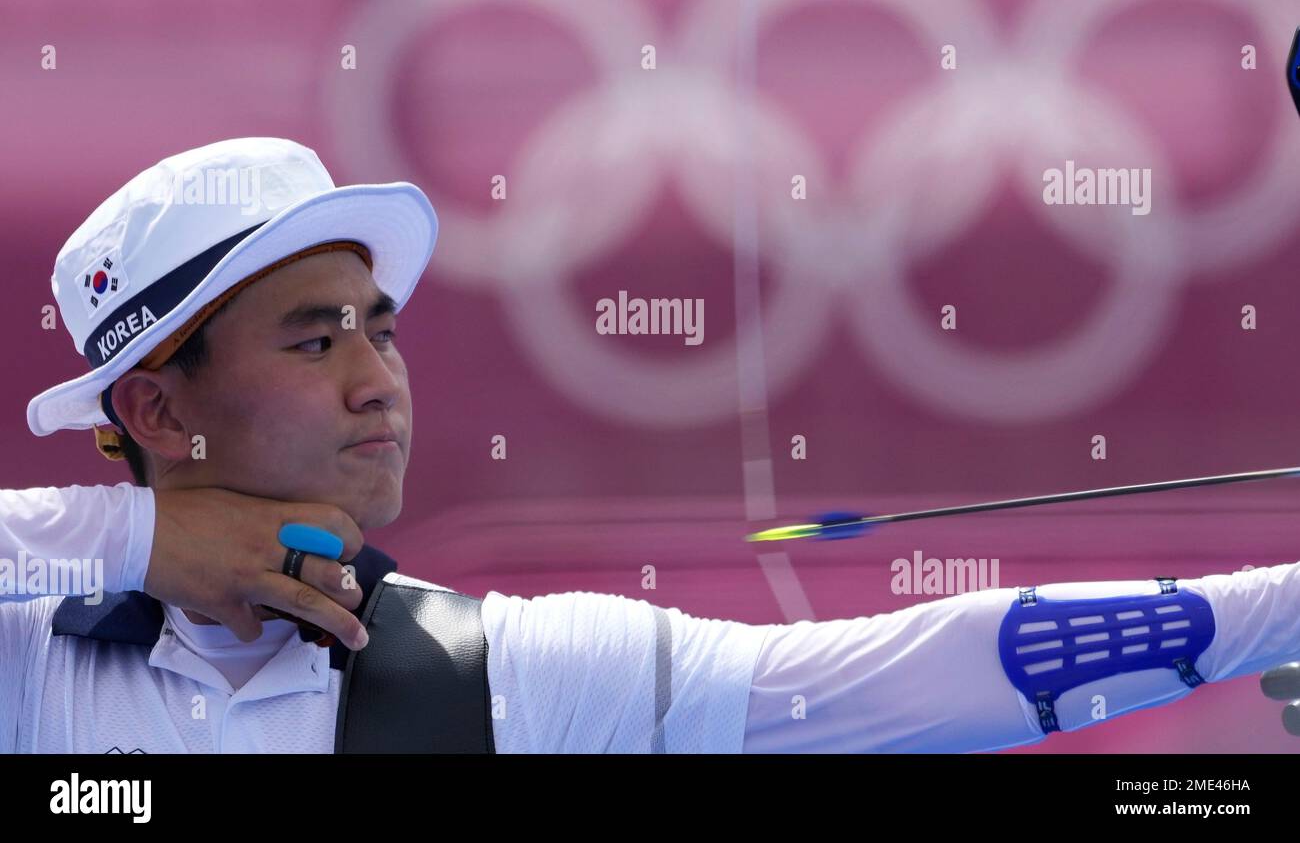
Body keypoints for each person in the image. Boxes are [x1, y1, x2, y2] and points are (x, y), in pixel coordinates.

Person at [5, 137, 1300, 753]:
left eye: (379, 330)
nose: (375, 381)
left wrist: (1281, 608)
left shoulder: (507, 674)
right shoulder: (23, 665)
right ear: (161, 414)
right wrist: (138, 543)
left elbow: (902, 676)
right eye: (311, 341)